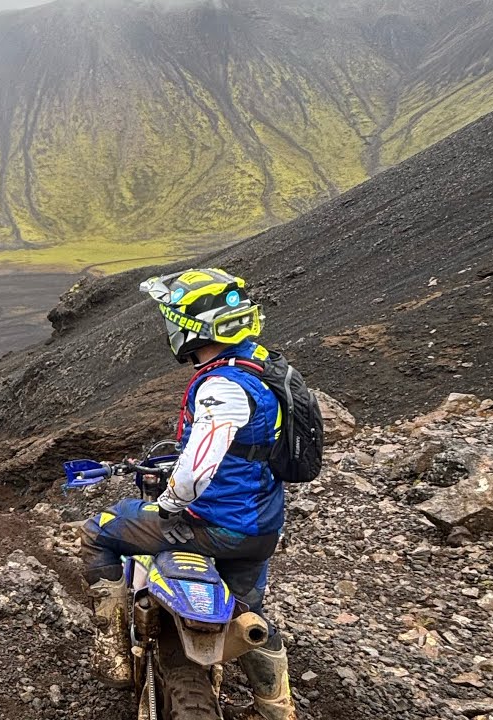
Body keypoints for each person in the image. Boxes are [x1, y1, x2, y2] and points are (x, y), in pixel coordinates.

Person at [79, 268, 296, 720]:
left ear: (197, 326)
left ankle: (112, 650)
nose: (171, 329)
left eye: (175, 319)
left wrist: (170, 503)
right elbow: (247, 452)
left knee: (100, 531)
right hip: (261, 529)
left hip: (215, 525)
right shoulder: (263, 368)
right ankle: (277, 708)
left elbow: (197, 472)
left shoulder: (221, 387)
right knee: (247, 619)